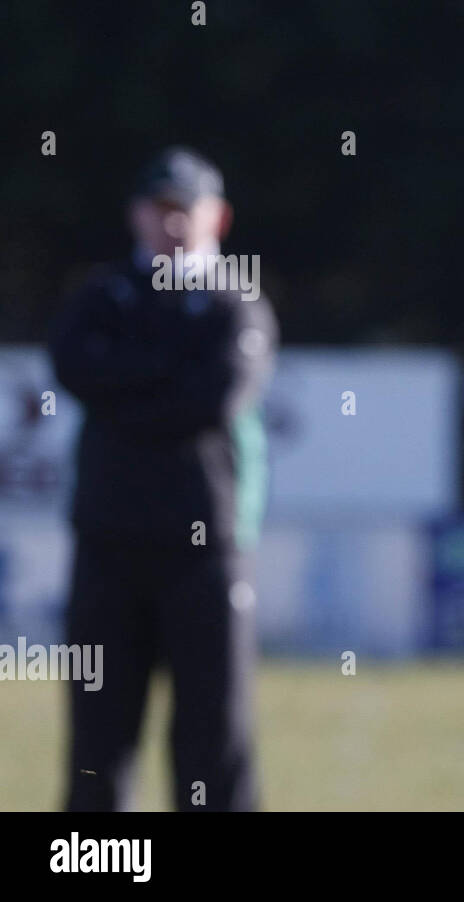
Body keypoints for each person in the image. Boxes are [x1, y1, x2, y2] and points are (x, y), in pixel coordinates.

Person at [49, 146, 278, 811]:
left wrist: (124, 381)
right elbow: (72, 366)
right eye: (160, 208)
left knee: (215, 729)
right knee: (98, 734)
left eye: (186, 210)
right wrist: (169, 370)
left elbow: (216, 398)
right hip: (107, 543)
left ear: (218, 217)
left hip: (206, 548)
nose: (172, 224)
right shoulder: (101, 291)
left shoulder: (236, 301)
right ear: (136, 214)